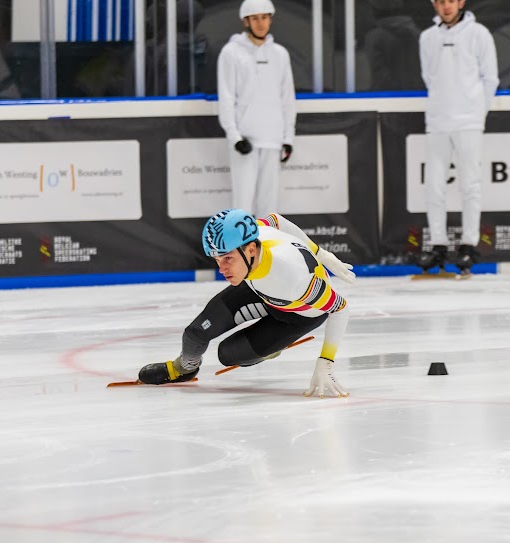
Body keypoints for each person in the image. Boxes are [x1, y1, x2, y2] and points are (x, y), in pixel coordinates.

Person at [138, 209, 356, 397]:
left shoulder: (295, 278)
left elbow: (340, 308)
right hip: (260, 287)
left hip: (296, 315)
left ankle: (274, 347)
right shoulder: (254, 235)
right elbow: (276, 220)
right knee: (195, 334)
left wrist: (325, 362)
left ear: (251, 250)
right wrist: (321, 252)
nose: (221, 269)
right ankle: (184, 368)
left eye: (227, 259)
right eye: (217, 260)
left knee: (228, 355)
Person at [418, 0, 499, 274]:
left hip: (469, 122)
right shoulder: (427, 38)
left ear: (461, 1)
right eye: (440, 1)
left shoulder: (479, 34)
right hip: (438, 121)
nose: (446, 6)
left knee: (470, 185)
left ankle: (468, 245)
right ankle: (438, 244)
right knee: (434, 187)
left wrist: (477, 112)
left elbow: (491, 79)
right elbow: (429, 76)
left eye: (450, 0)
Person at [216, 0, 296, 217]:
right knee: (242, 202)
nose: (261, 23)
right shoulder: (232, 53)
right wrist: (235, 137)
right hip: (246, 140)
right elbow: (226, 97)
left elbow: (287, 98)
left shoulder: (280, 54)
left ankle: (267, 248)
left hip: (273, 138)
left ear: (271, 19)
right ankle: (242, 249)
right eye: (255, 18)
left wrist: (288, 137)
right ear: (246, 21)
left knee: (269, 205)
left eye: (265, 17)